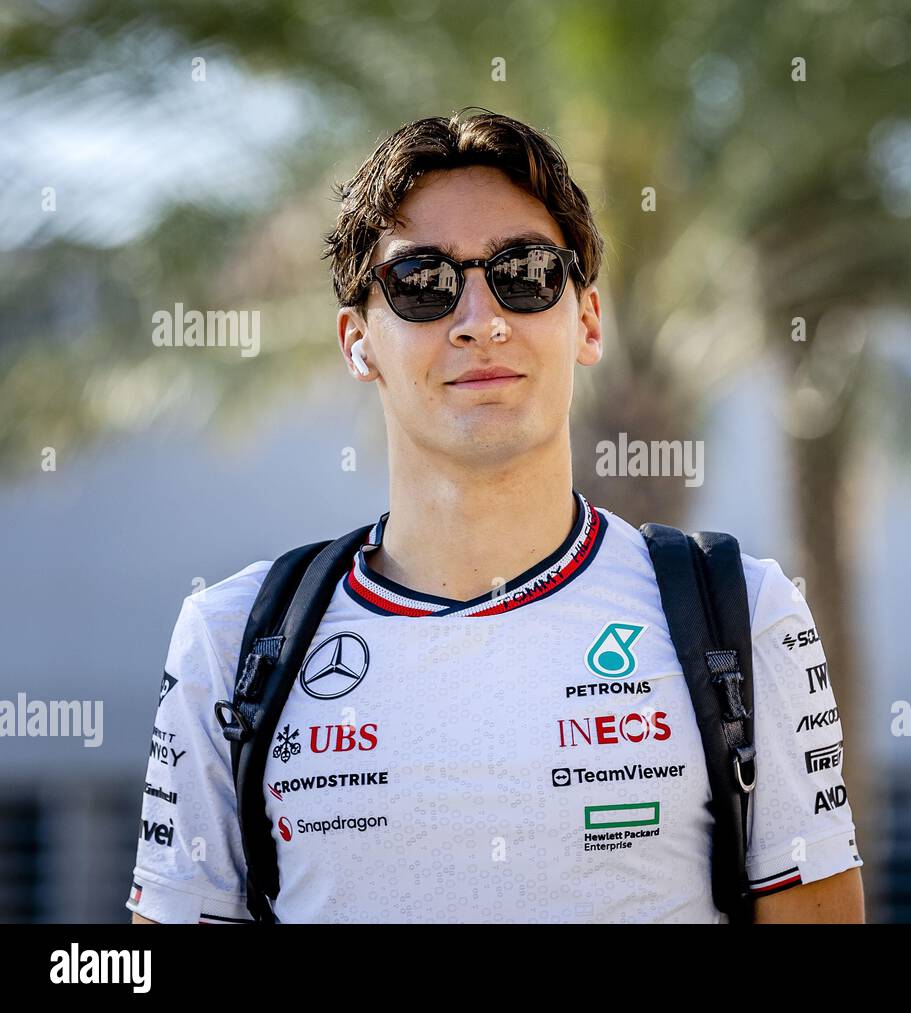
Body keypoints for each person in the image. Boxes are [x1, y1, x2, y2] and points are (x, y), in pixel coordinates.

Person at [128, 108, 864, 924]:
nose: (481, 320)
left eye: (525, 273)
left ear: (586, 320)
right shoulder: (230, 641)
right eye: (423, 284)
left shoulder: (743, 616)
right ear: (357, 341)